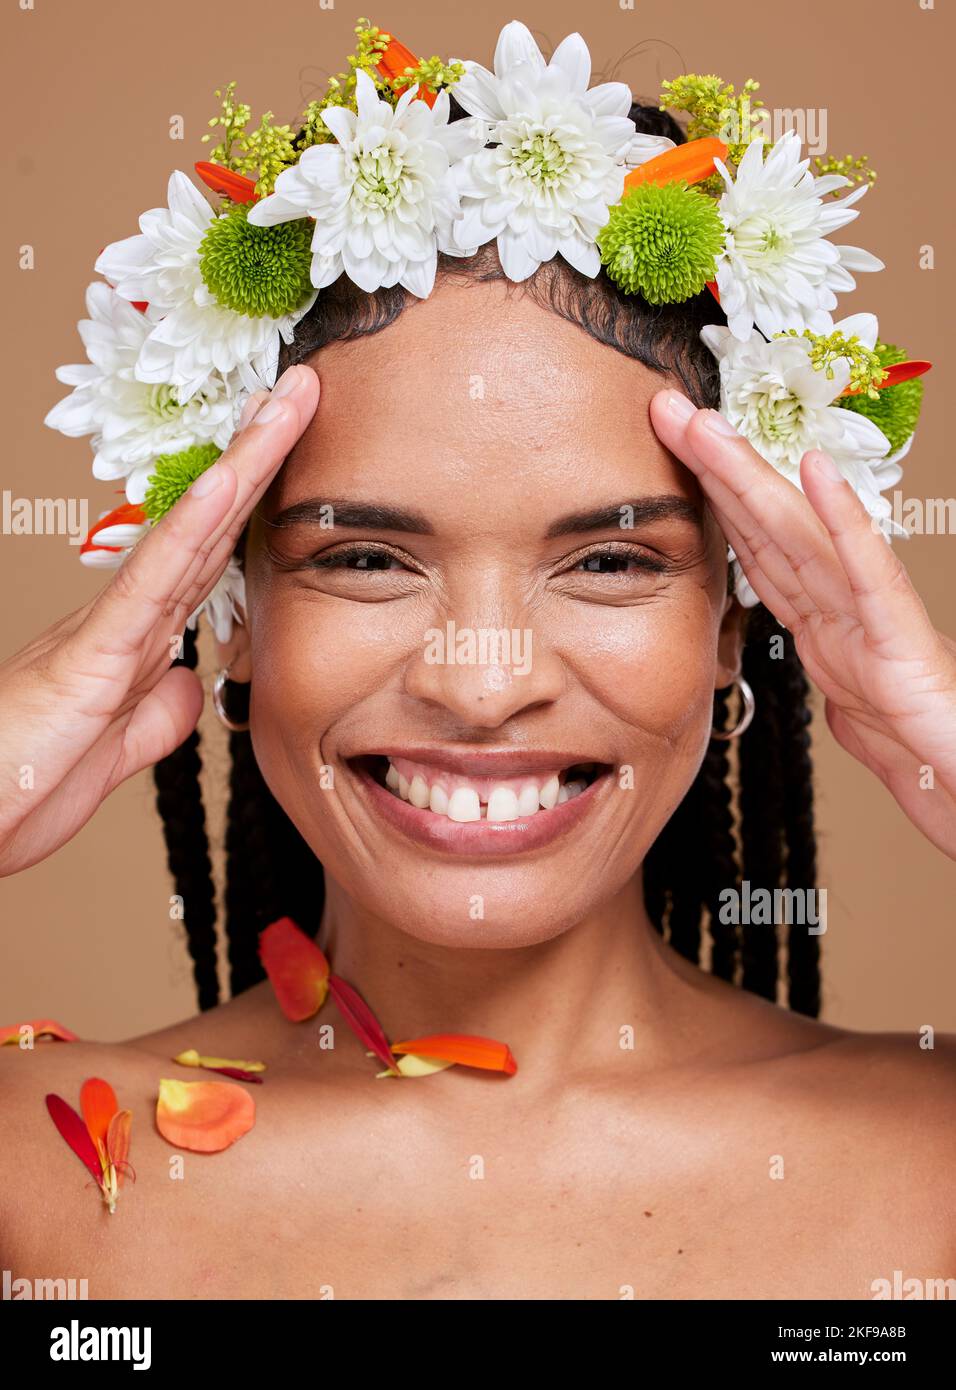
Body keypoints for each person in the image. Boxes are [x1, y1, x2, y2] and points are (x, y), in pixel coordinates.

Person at [1, 25, 954, 1300]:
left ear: (736, 624)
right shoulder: (27, 1173)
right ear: (231, 606)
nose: (482, 680)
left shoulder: (932, 1164)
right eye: (365, 559)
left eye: (610, 563)